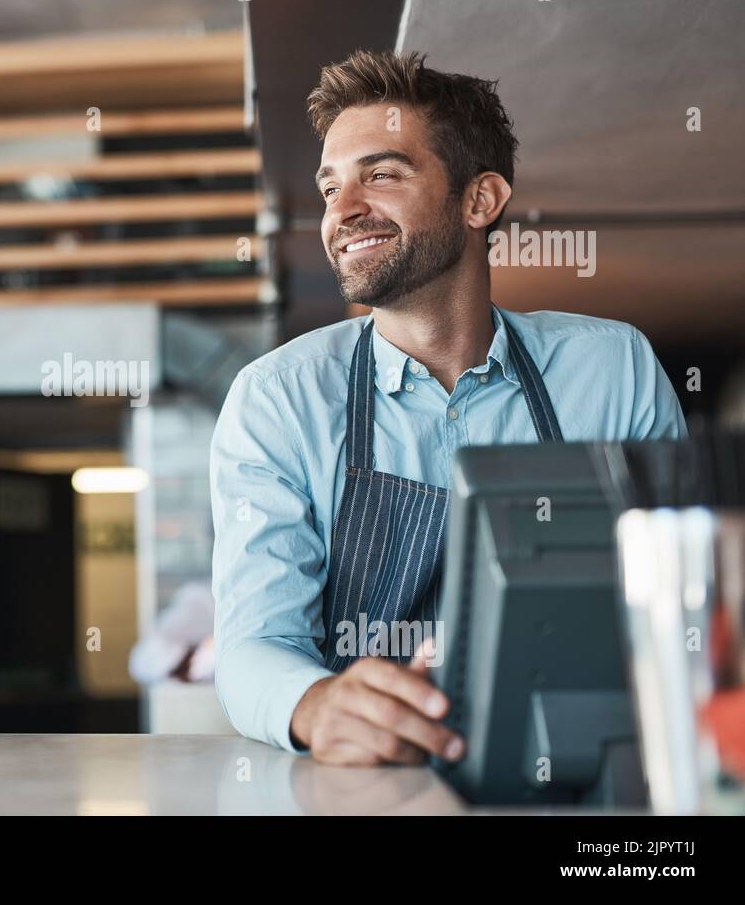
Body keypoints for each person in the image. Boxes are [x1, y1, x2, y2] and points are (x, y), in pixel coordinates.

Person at [210, 51, 686, 764]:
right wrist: (314, 703)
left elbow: (681, 603)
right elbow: (254, 644)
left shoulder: (613, 369)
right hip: (373, 789)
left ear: (480, 200)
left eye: (381, 174)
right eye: (331, 185)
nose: (342, 211)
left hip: (580, 779)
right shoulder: (278, 400)